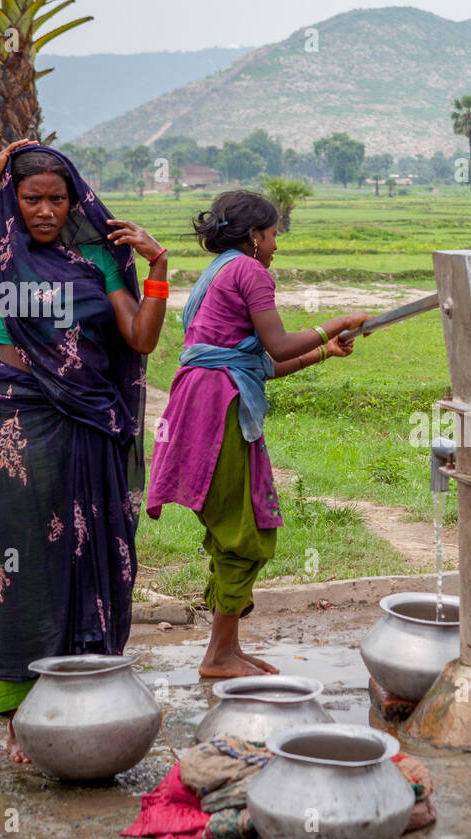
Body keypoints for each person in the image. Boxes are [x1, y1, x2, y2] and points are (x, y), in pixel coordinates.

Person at [0, 142, 169, 763]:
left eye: (57, 198)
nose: (46, 210)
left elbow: (140, 337)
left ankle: (91, 688)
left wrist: (156, 264)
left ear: (73, 198)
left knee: (94, 553)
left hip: (89, 422)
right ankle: (17, 712)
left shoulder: (98, 262)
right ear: (12, 199)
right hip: (18, 419)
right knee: (19, 561)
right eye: (32, 199)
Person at [146, 190, 368, 678]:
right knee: (246, 530)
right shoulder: (249, 270)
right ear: (254, 235)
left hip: (204, 401)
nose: (275, 246)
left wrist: (325, 351)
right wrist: (339, 320)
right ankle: (219, 656)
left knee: (233, 520)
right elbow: (279, 343)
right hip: (219, 407)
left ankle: (227, 647)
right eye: (273, 235)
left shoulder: (217, 272)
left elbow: (259, 362)